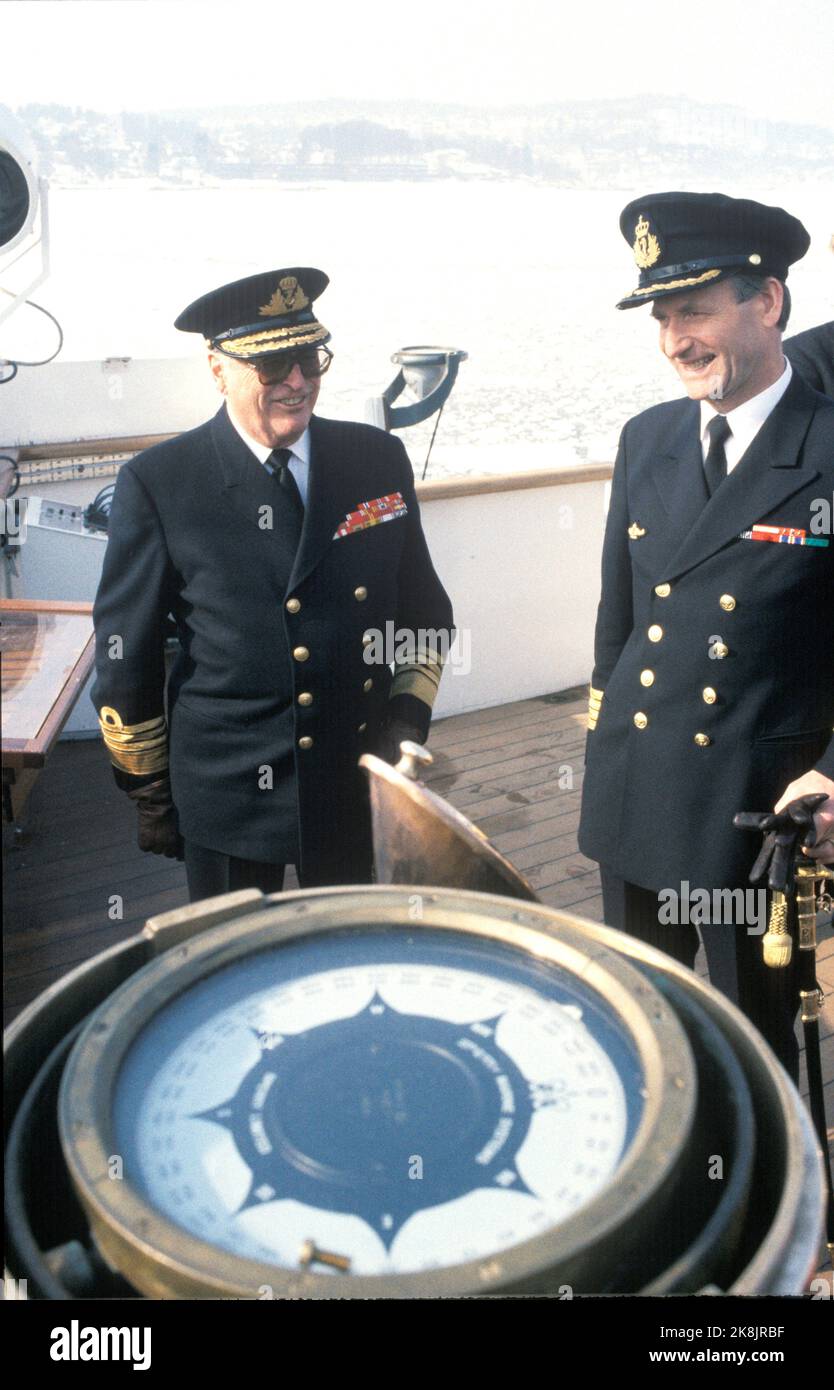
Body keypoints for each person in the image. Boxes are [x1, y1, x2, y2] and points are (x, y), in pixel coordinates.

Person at [92, 266, 454, 900]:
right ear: (217, 367)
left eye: (310, 361)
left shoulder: (375, 459)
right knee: (234, 973)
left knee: (347, 965)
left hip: (354, 776)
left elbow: (425, 613)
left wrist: (404, 720)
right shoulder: (161, 483)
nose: (297, 382)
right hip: (230, 790)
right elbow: (129, 654)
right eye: (273, 365)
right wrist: (147, 788)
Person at [578, 192, 834, 1079]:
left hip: (753, 817)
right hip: (635, 791)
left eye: (694, 309)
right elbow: (620, 620)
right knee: (638, 1037)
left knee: (751, 1060)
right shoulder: (646, 438)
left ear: (766, 302)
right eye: (661, 315)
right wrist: (603, 738)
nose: (674, 339)